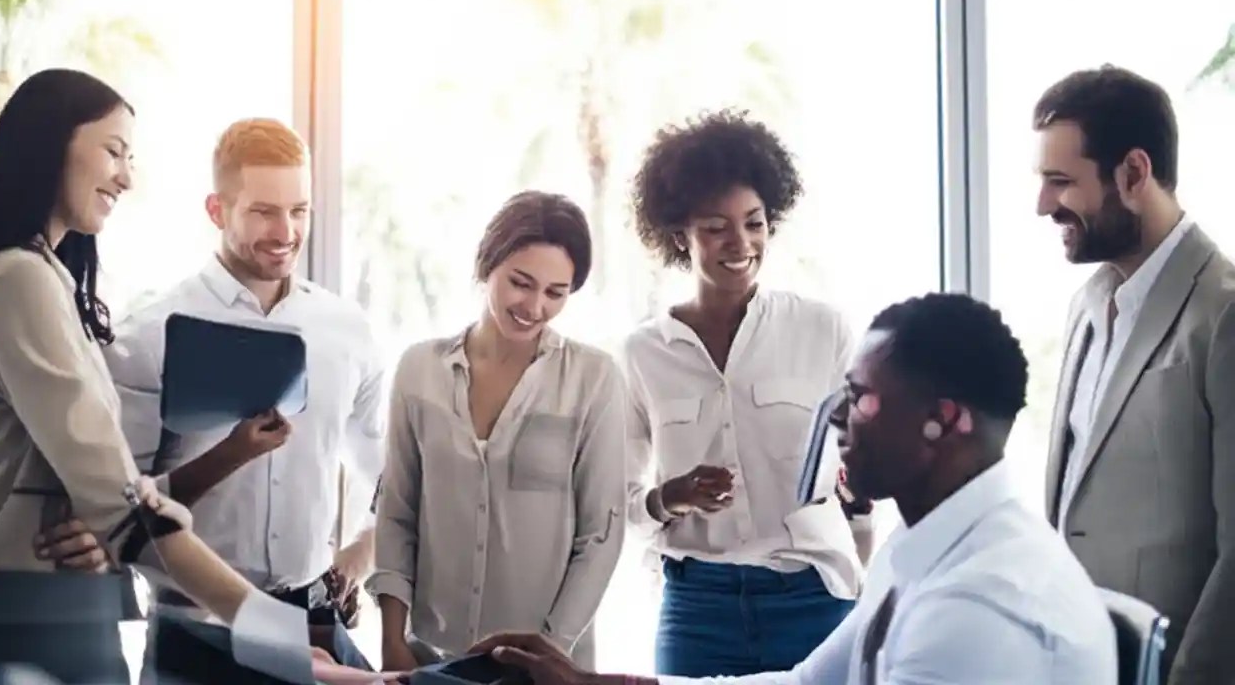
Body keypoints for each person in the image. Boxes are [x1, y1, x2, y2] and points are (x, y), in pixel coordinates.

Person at [471, 293, 1119, 684]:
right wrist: (589, 684)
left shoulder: (979, 605)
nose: (834, 417)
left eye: (859, 399)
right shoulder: (923, 548)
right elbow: (808, 680)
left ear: (944, 419)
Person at [0, 69, 262, 674]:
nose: (127, 176)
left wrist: (109, 519)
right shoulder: (19, 281)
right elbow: (117, 501)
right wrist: (271, 629)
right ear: (51, 143)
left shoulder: (21, 279)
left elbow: (109, 493)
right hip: (35, 626)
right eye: (114, 151)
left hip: (46, 612)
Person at [92, 117, 385, 678]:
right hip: (194, 630)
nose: (286, 232)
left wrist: (362, 552)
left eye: (299, 211)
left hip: (309, 621)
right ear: (215, 210)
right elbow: (118, 507)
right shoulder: (149, 336)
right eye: (263, 211)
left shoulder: (346, 331)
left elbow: (390, 473)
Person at [620, 108, 867, 677]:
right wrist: (672, 496)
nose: (741, 242)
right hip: (696, 606)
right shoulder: (642, 355)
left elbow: (860, 479)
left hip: (812, 597)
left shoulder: (822, 328)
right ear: (680, 234)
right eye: (716, 227)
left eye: (754, 222)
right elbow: (618, 504)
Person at [367, 191, 626, 672]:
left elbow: (601, 536)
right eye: (520, 283)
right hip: (431, 655)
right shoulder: (419, 370)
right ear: (488, 266)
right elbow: (397, 514)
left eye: (556, 292)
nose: (534, 306)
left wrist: (552, 651)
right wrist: (391, 640)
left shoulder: (594, 379)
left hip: (548, 666)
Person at [1035, 65, 1235, 683]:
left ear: (1133, 173)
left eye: (1060, 182)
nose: (1043, 205)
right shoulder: (1087, 304)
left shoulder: (1223, 314)